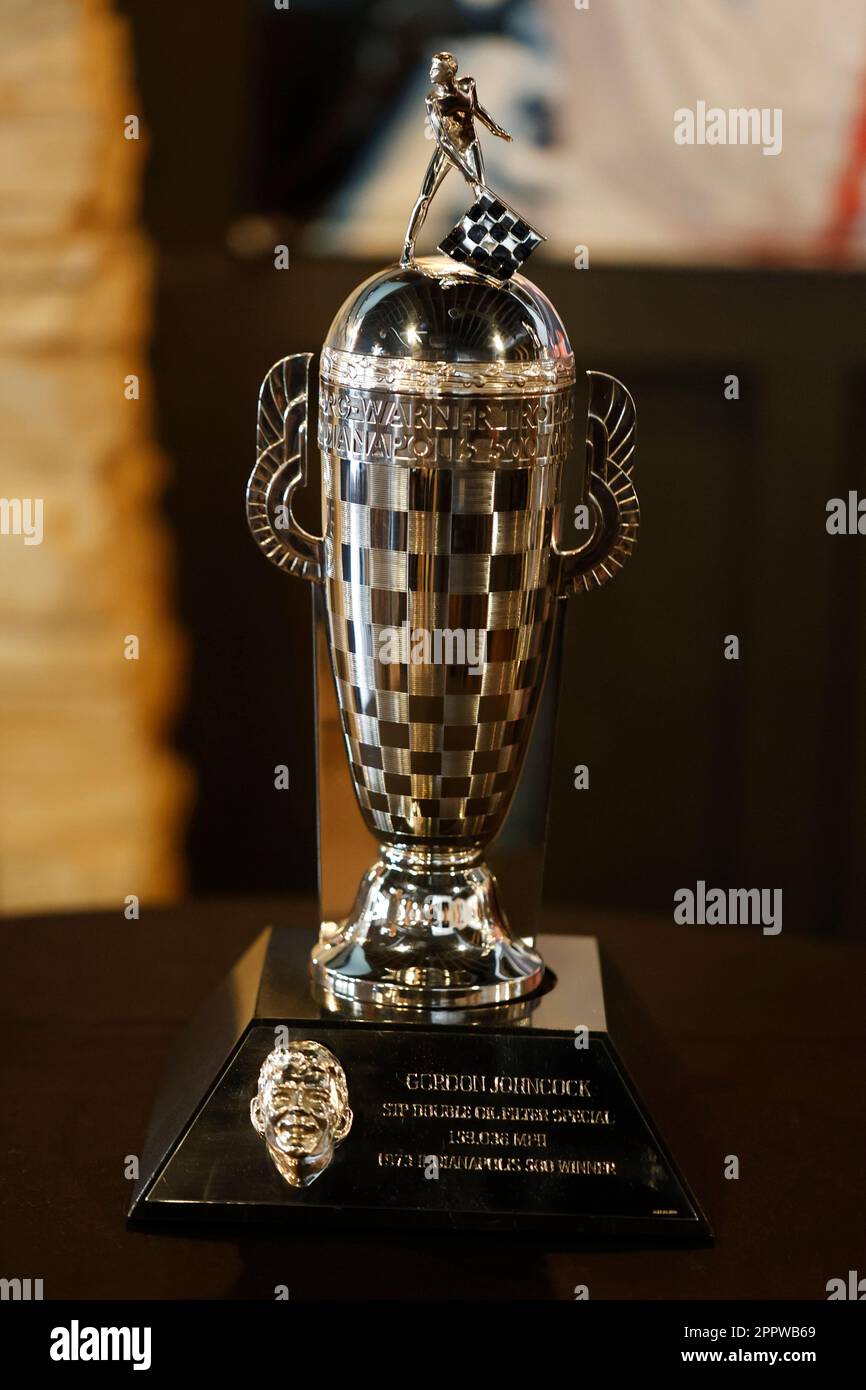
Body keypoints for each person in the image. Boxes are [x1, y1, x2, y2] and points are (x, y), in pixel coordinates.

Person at [401, 51, 513, 267]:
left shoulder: (468, 84)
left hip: (470, 144)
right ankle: (407, 248)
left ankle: (493, 251)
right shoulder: (433, 99)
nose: (431, 72)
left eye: (436, 68)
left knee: (482, 195)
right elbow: (442, 139)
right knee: (425, 197)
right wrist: (463, 168)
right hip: (447, 151)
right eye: (432, 67)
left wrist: (495, 129)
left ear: (450, 72)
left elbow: (477, 109)